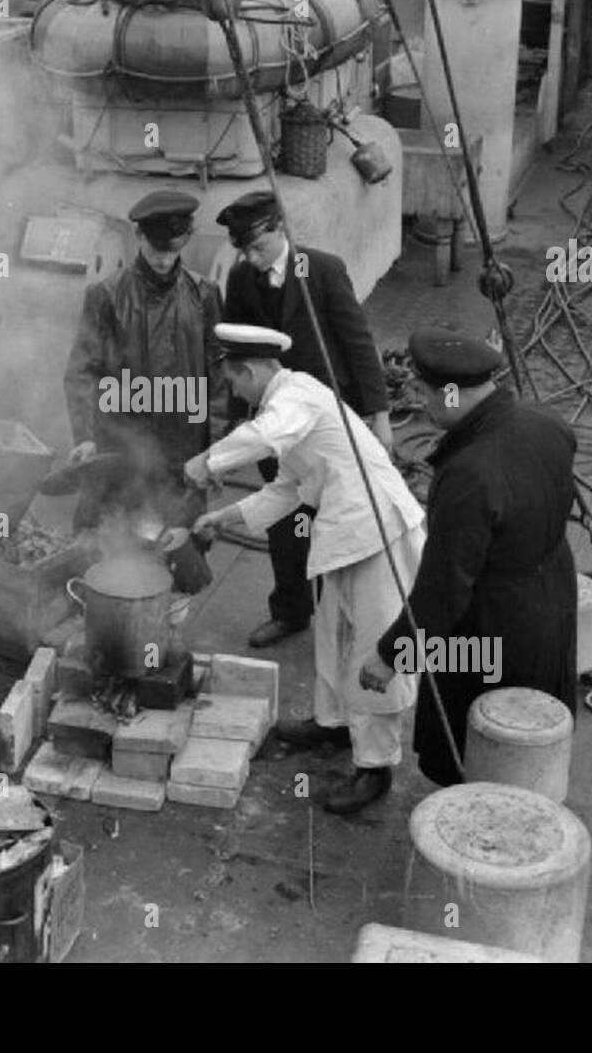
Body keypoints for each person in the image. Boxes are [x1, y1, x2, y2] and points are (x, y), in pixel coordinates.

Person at [185, 324, 426, 815]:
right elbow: (288, 488)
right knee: (332, 639)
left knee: (374, 648)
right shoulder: (292, 408)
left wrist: (207, 462)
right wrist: (221, 516)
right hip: (345, 535)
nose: (235, 393)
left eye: (234, 382)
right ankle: (333, 726)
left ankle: (375, 768)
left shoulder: (295, 399)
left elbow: (262, 435)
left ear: (249, 371)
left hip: (379, 533)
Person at [360, 326, 579, 787]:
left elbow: (443, 588)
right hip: (553, 594)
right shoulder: (547, 423)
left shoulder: (470, 474)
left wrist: (391, 654)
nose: (421, 404)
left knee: (481, 735)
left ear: (454, 393)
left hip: (494, 621)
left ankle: (482, 813)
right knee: (529, 725)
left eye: (425, 393)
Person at [219, 190, 393, 650]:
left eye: (259, 247)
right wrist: (238, 425)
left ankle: (346, 621)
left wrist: (379, 415)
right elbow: (239, 360)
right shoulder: (240, 280)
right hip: (277, 425)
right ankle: (291, 611)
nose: (253, 260)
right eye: (245, 251)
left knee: (336, 525)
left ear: (281, 230)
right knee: (285, 523)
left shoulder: (322, 270)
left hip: (327, 422)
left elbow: (358, 343)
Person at [64, 190, 228, 537]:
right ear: (139, 236)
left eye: (173, 250)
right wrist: (85, 436)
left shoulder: (206, 295)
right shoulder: (105, 296)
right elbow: (82, 370)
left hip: (183, 448)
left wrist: (217, 450)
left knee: (181, 548)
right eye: (157, 249)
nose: (165, 260)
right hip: (119, 444)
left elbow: (218, 378)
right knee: (105, 539)